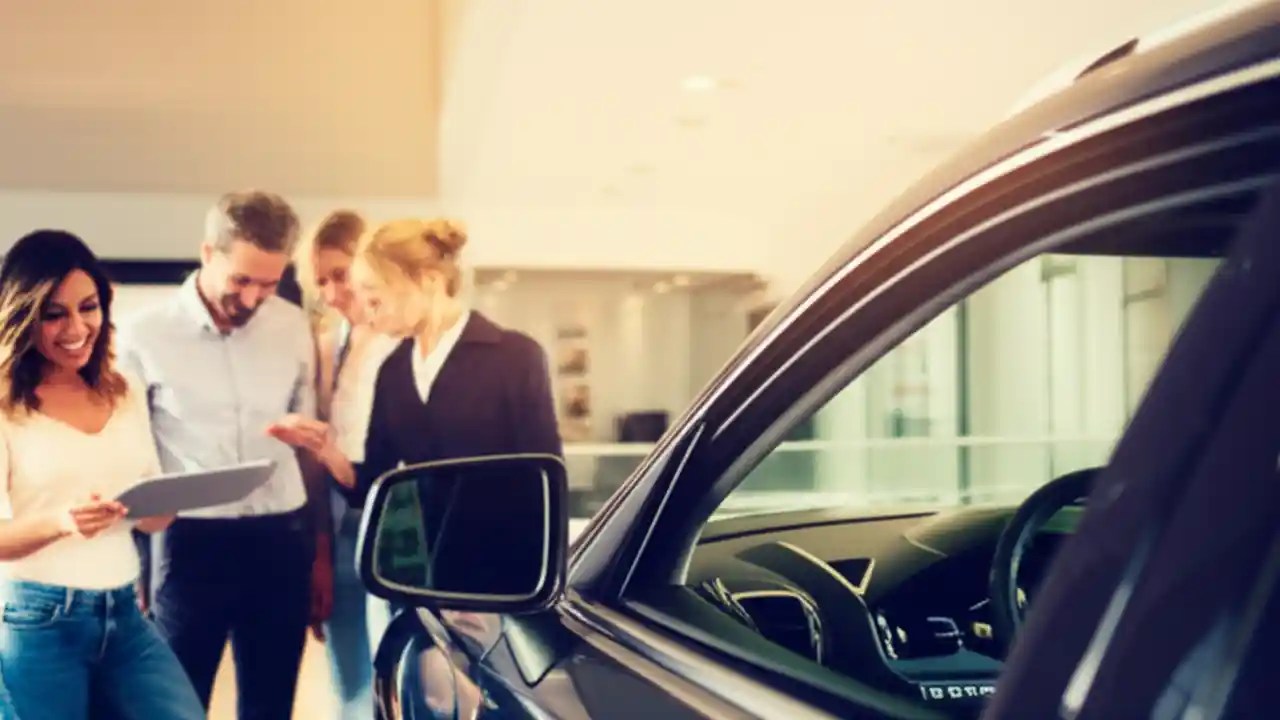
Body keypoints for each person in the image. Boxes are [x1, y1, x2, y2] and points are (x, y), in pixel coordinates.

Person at [277, 217, 560, 720]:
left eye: (375, 294)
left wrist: (533, 592)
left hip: (498, 586)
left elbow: (544, 484)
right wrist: (328, 453)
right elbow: (378, 483)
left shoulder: (514, 356)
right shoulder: (395, 369)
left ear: (427, 282)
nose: (363, 307)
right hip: (426, 585)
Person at [117, 190, 326, 718]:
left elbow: (308, 450)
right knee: (177, 704)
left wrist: (319, 545)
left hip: (281, 538)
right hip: (190, 543)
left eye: (270, 282)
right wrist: (139, 563)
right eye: (242, 280)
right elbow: (129, 452)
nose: (254, 298)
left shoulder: (292, 326)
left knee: (271, 704)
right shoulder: (144, 334)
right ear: (208, 253)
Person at [0, 230, 203, 719]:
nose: (77, 327)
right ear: (24, 316)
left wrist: (162, 503)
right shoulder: (5, 406)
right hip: (37, 620)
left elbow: (152, 520)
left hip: (124, 613)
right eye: (54, 314)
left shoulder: (124, 390)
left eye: (88, 307)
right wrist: (62, 523)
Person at [293, 209, 398, 719]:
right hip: (338, 527)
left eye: (340, 275)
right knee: (349, 686)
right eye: (321, 282)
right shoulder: (327, 343)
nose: (332, 293)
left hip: (395, 526)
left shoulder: (404, 342)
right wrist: (318, 556)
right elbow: (318, 466)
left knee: (399, 680)